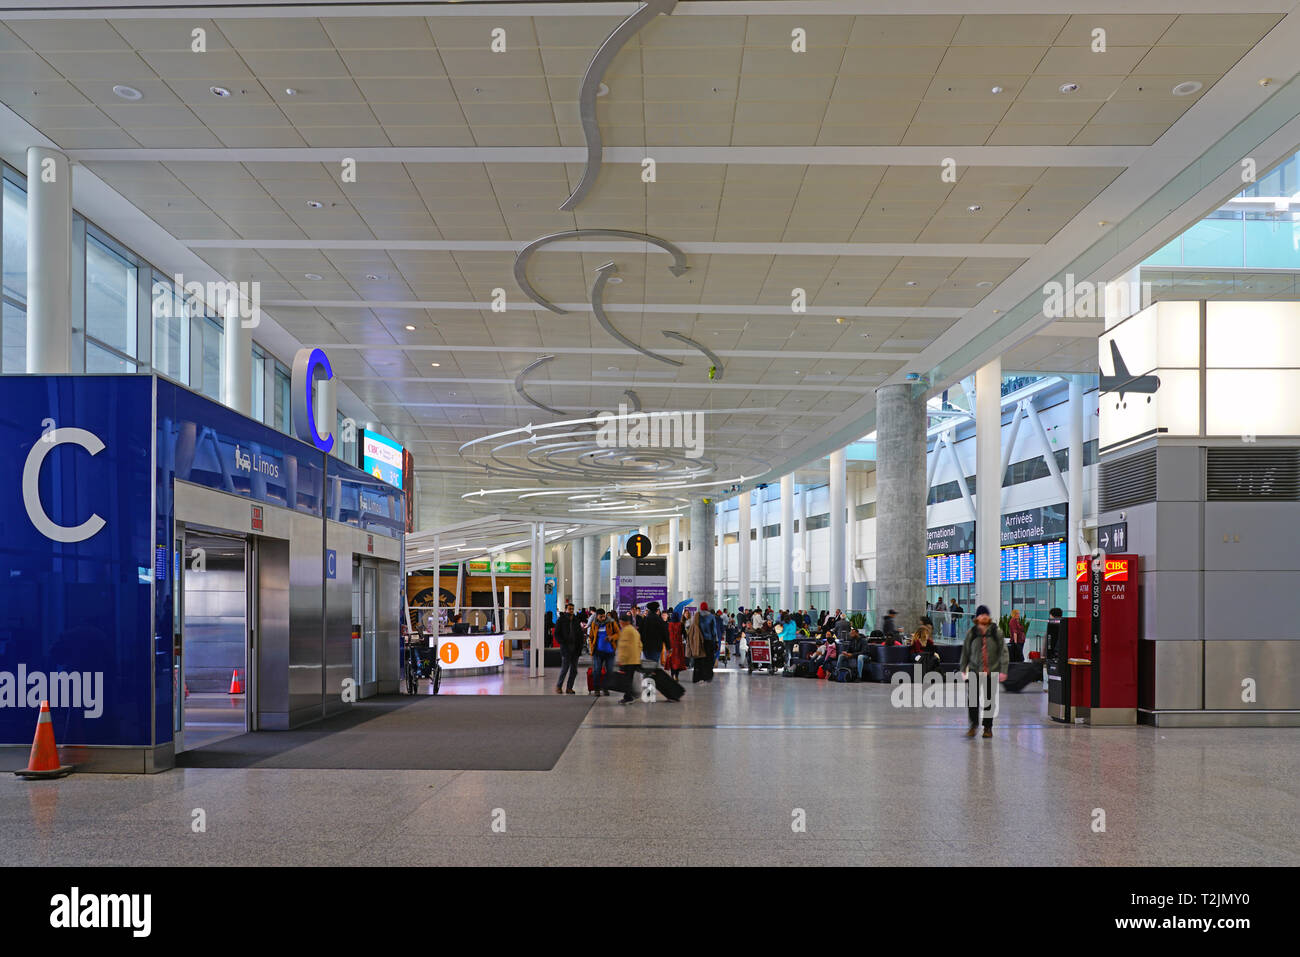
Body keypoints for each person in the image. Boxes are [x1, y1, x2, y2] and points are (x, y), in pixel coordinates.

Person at [959, 605, 1008, 739]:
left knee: (989, 700)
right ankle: (973, 725)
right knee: (973, 700)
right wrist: (963, 668)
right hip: (975, 669)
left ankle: (988, 727)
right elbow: (965, 651)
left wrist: (1003, 670)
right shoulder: (972, 632)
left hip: (992, 670)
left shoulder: (996, 631)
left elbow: (1003, 651)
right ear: (977, 617)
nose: (984, 616)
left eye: (986, 614)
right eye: (981, 615)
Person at [587, 609, 619, 697]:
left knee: (609, 671)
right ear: (597, 616)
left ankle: (606, 688)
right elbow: (591, 637)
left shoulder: (611, 623)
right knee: (597, 671)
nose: (603, 618)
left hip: (610, 652)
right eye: (601, 616)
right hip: (597, 652)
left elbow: (618, 633)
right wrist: (591, 648)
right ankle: (597, 689)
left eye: (604, 616)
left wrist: (612, 637)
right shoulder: (594, 624)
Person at [554, 602, 583, 695]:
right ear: (566, 609)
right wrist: (562, 642)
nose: (571, 611)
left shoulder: (576, 620)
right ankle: (559, 686)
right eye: (569, 609)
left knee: (574, 670)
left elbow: (579, 633)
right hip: (566, 648)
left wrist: (580, 645)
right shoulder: (561, 620)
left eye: (572, 609)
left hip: (575, 648)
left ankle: (569, 688)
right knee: (565, 668)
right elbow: (557, 634)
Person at [615, 612, 643, 705]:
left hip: (628, 660)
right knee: (629, 679)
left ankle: (628, 697)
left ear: (622, 622)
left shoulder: (626, 631)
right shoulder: (634, 630)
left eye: (620, 622)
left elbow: (623, 646)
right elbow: (640, 645)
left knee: (627, 680)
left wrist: (621, 660)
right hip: (634, 659)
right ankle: (629, 696)